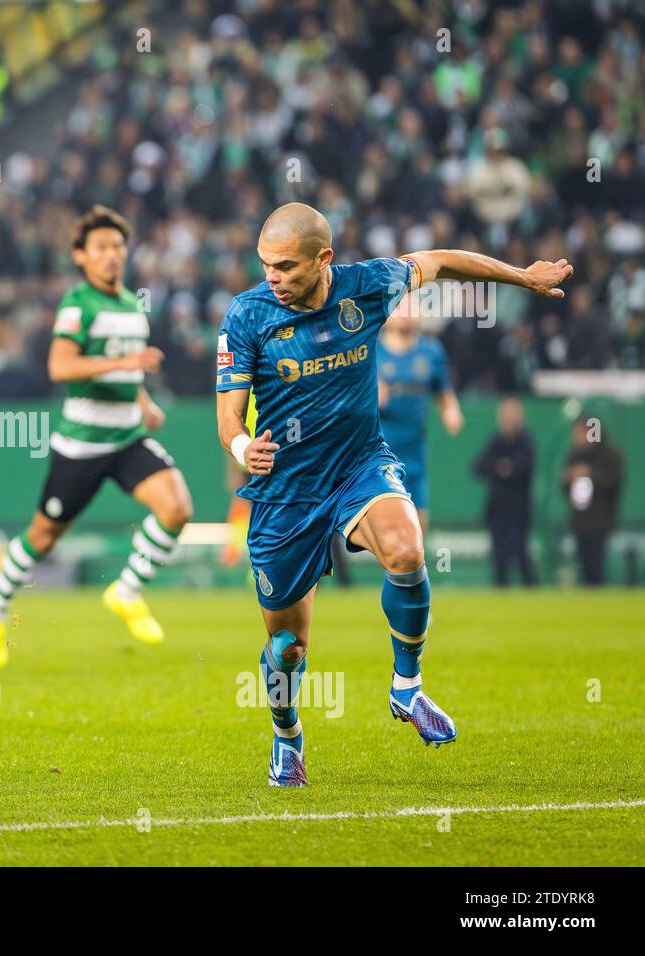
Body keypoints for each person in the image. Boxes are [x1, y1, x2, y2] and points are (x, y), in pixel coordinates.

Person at [216, 202, 571, 786]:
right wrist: (240, 449)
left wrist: (522, 276)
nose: (271, 276)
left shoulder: (368, 286)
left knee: (407, 551)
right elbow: (229, 418)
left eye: (284, 266)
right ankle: (286, 736)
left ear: (324, 259)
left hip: (359, 465)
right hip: (285, 491)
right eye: (265, 265)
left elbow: (442, 262)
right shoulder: (246, 316)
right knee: (287, 648)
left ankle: (407, 688)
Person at [0, 205, 194, 668]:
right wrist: (124, 365)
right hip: (82, 444)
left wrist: (144, 404)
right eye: (101, 247)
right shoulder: (77, 303)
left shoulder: (133, 305)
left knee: (177, 508)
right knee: (44, 536)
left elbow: (127, 371)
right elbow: (61, 366)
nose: (112, 255)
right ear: (80, 255)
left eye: (118, 246)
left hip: (127, 438)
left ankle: (126, 591)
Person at [377, 295, 465, 534]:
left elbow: (443, 392)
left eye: (410, 306)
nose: (405, 312)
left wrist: (451, 411)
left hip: (415, 454)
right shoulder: (371, 350)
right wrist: (371, 401)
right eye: (399, 307)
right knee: (391, 533)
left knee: (418, 528)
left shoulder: (431, 351)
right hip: (380, 456)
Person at [471, 398, 537, 586]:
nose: (506, 420)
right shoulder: (496, 441)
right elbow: (478, 466)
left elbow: (524, 466)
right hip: (497, 509)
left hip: (518, 509)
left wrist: (509, 468)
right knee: (499, 555)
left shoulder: (525, 441)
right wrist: (499, 467)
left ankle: (532, 591)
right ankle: (501, 592)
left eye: (510, 416)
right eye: (504, 416)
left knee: (519, 551)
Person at [561, 416, 624, 586]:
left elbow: (612, 482)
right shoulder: (575, 455)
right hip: (580, 520)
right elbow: (565, 487)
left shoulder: (608, 454)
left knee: (596, 564)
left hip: (600, 519)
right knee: (584, 564)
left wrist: (589, 474)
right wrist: (569, 478)